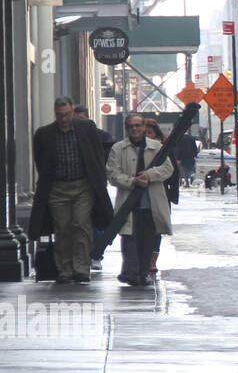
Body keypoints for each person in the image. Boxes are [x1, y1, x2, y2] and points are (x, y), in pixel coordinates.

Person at [29, 97, 114, 284]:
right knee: (63, 228)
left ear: (72, 111)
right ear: (55, 114)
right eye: (60, 115)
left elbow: (96, 154)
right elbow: (41, 161)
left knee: (82, 224)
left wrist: (97, 178)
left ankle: (82, 268)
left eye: (67, 114)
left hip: (82, 185)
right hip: (57, 188)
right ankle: (65, 270)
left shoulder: (86, 128)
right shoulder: (44, 134)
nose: (64, 119)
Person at [106, 114, 174, 287]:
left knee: (148, 240)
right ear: (126, 129)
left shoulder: (157, 147)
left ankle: (142, 273)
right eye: (131, 126)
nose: (134, 129)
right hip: (129, 205)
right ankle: (130, 272)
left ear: (143, 127)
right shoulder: (118, 149)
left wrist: (149, 176)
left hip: (151, 204)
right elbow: (112, 174)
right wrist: (132, 181)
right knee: (129, 239)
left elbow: (168, 169)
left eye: (137, 125)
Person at [74, 105, 116, 272]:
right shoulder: (70, 137)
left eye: (82, 120)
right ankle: (84, 256)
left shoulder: (100, 136)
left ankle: (96, 254)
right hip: (77, 183)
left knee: (97, 221)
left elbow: (110, 153)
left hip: (95, 184)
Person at [142, 118, 179, 277]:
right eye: (145, 133)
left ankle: (152, 262)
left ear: (155, 133)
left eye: (149, 133)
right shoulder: (134, 149)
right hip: (140, 195)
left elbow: (173, 172)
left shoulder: (163, 149)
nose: (146, 136)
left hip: (160, 193)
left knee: (157, 228)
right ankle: (143, 259)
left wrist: (172, 196)